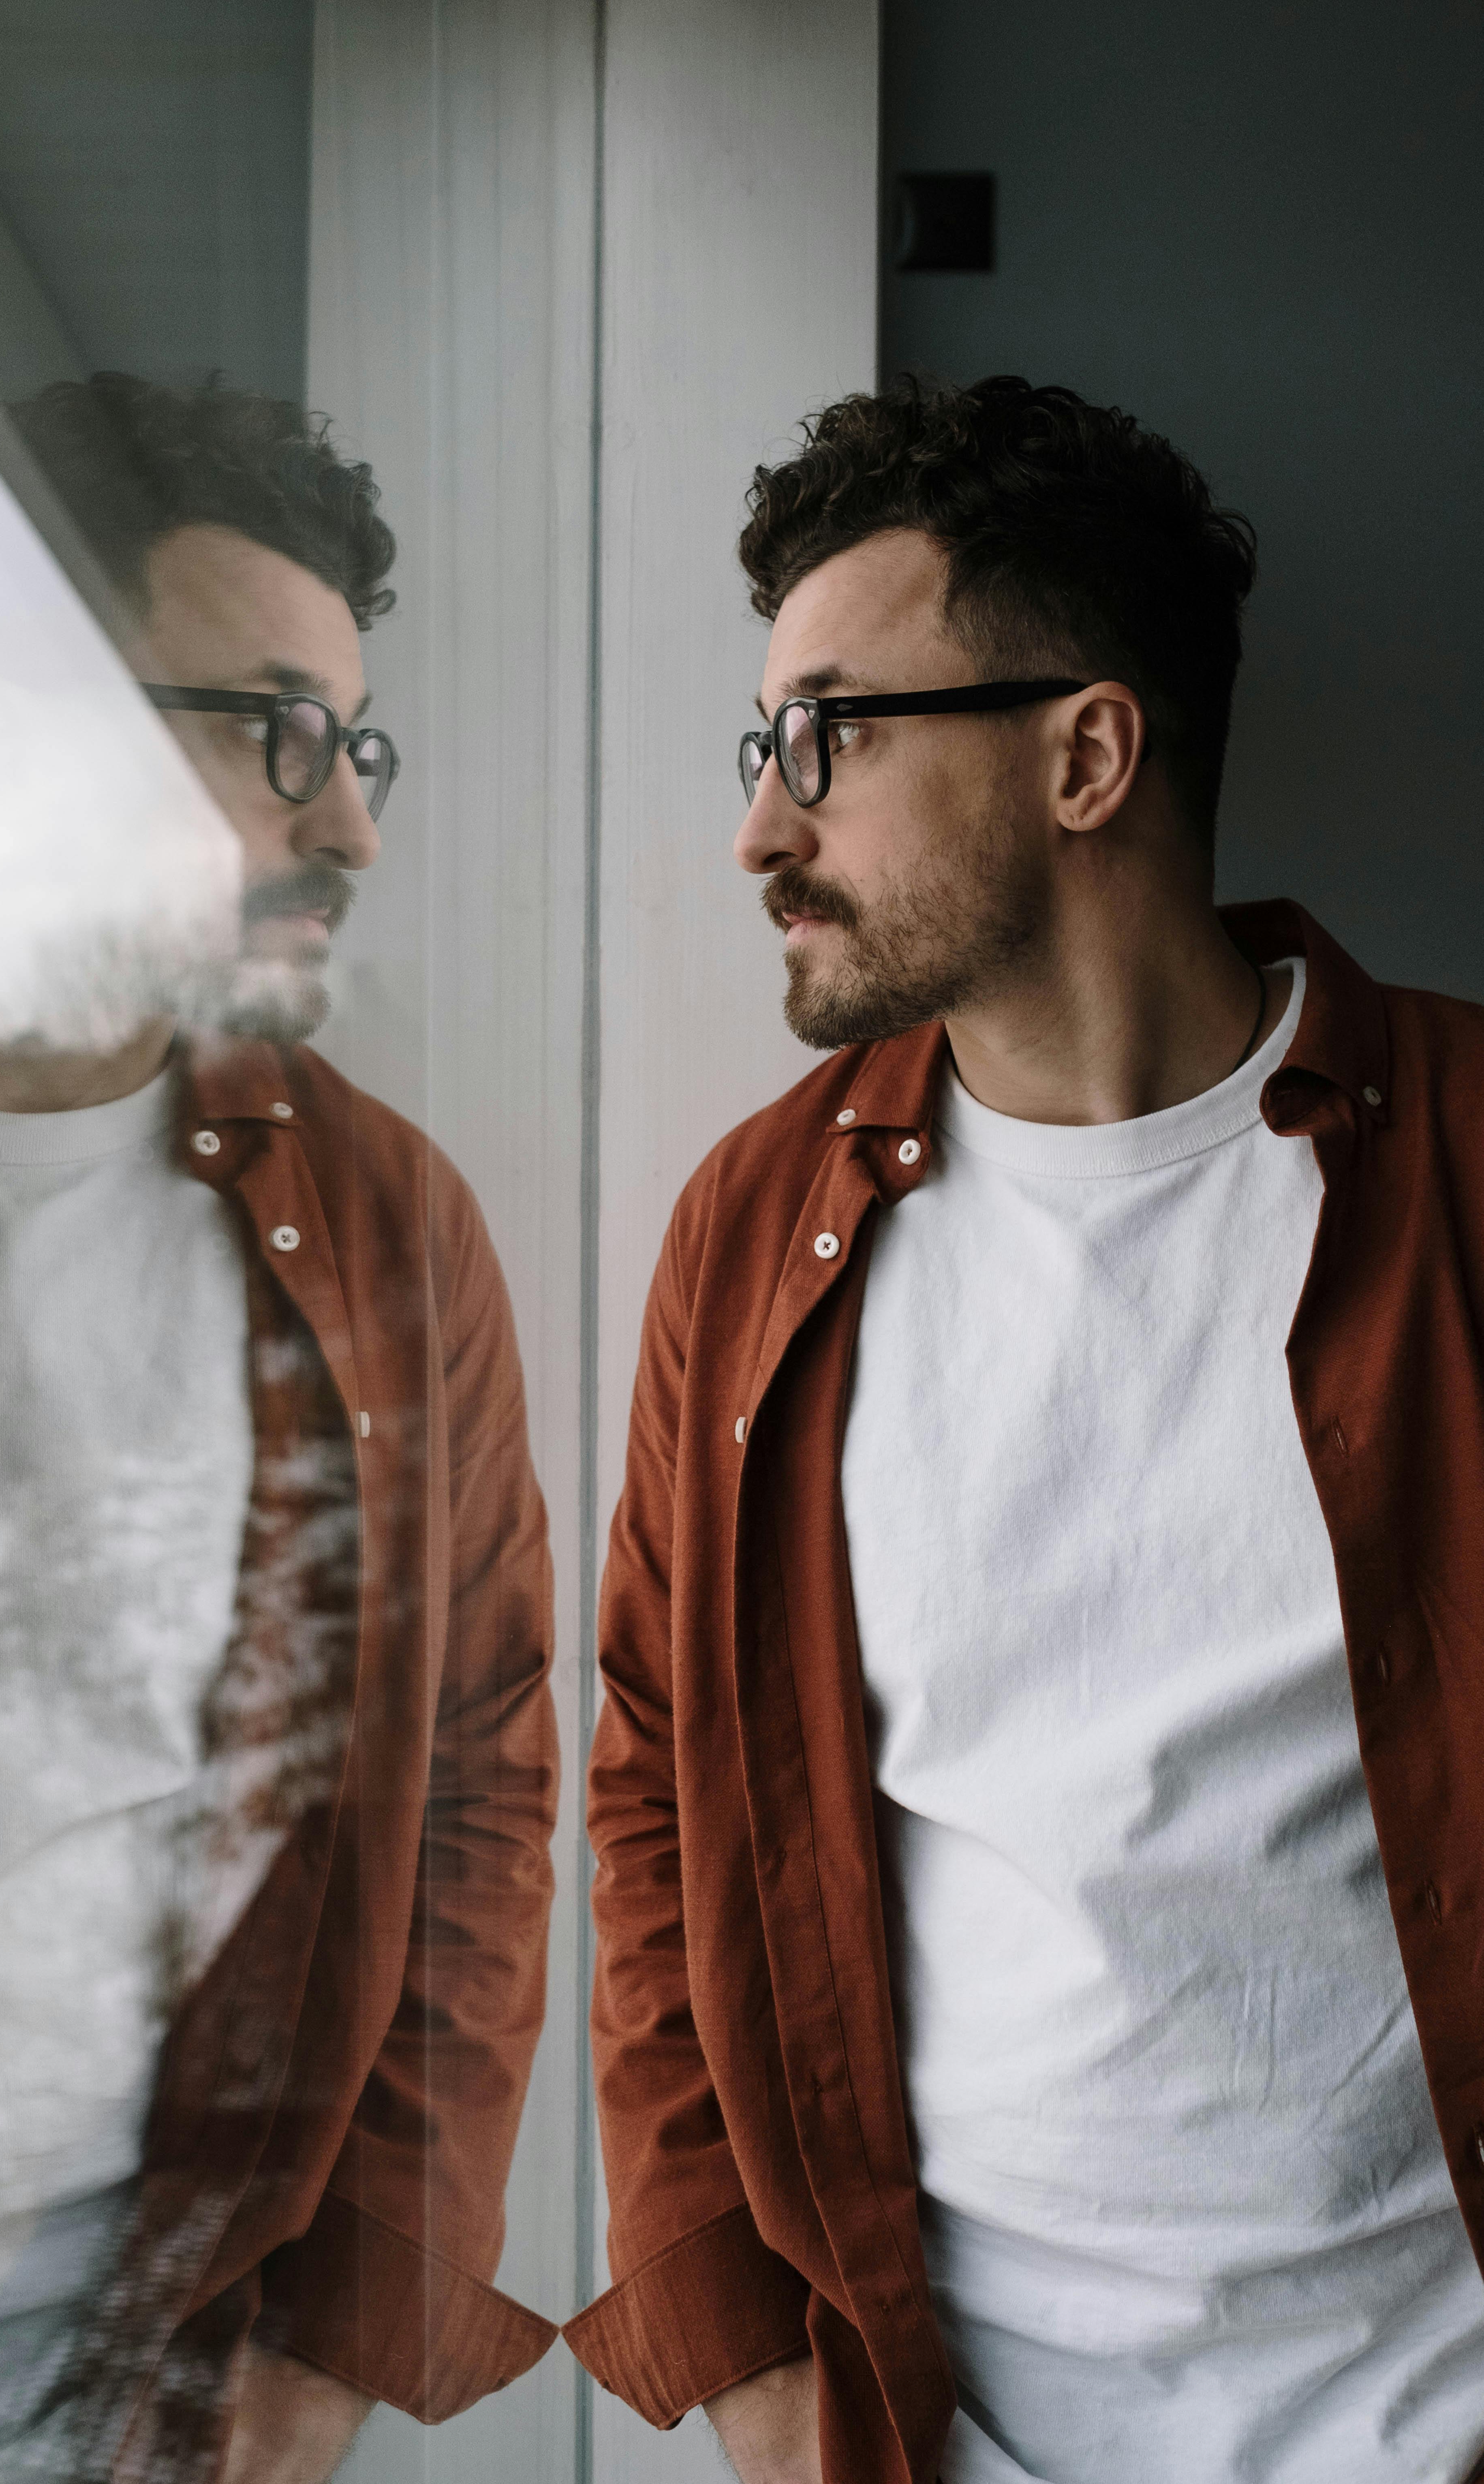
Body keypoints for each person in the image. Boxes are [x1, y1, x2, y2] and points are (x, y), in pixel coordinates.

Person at [563, 375, 1484, 2482]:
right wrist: (745, 2356)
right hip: (935, 2434)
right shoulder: (752, 1231)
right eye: (760, 744)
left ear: (1084, 750)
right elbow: (650, 1778)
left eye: (828, 737)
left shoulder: (1462, 1171)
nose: (757, 827)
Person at [0, 374, 558, 2484]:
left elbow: (477, 1792)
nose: (349, 827)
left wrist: (341, 2339)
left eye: (358, 743)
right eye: (274, 734)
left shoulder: (383, 1230)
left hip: (104, 2374)